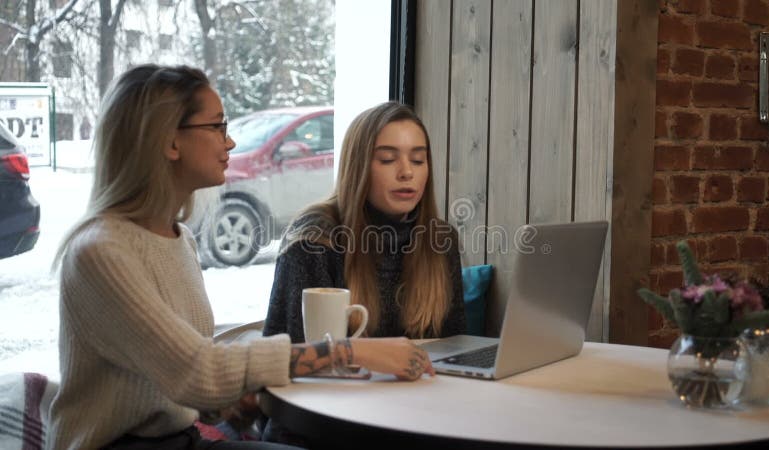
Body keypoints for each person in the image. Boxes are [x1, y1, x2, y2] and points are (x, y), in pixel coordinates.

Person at [47, 65, 433, 450]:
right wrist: (347, 351)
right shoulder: (100, 252)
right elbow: (198, 371)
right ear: (170, 142)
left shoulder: (177, 239)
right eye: (217, 126)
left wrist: (228, 404)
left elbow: (179, 378)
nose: (229, 142)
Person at [264, 101, 466, 343]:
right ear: (357, 167)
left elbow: (454, 346)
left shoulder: (441, 239)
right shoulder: (314, 238)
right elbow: (293, 356)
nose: (406, 172)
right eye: (388, 159)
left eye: (418, 160)